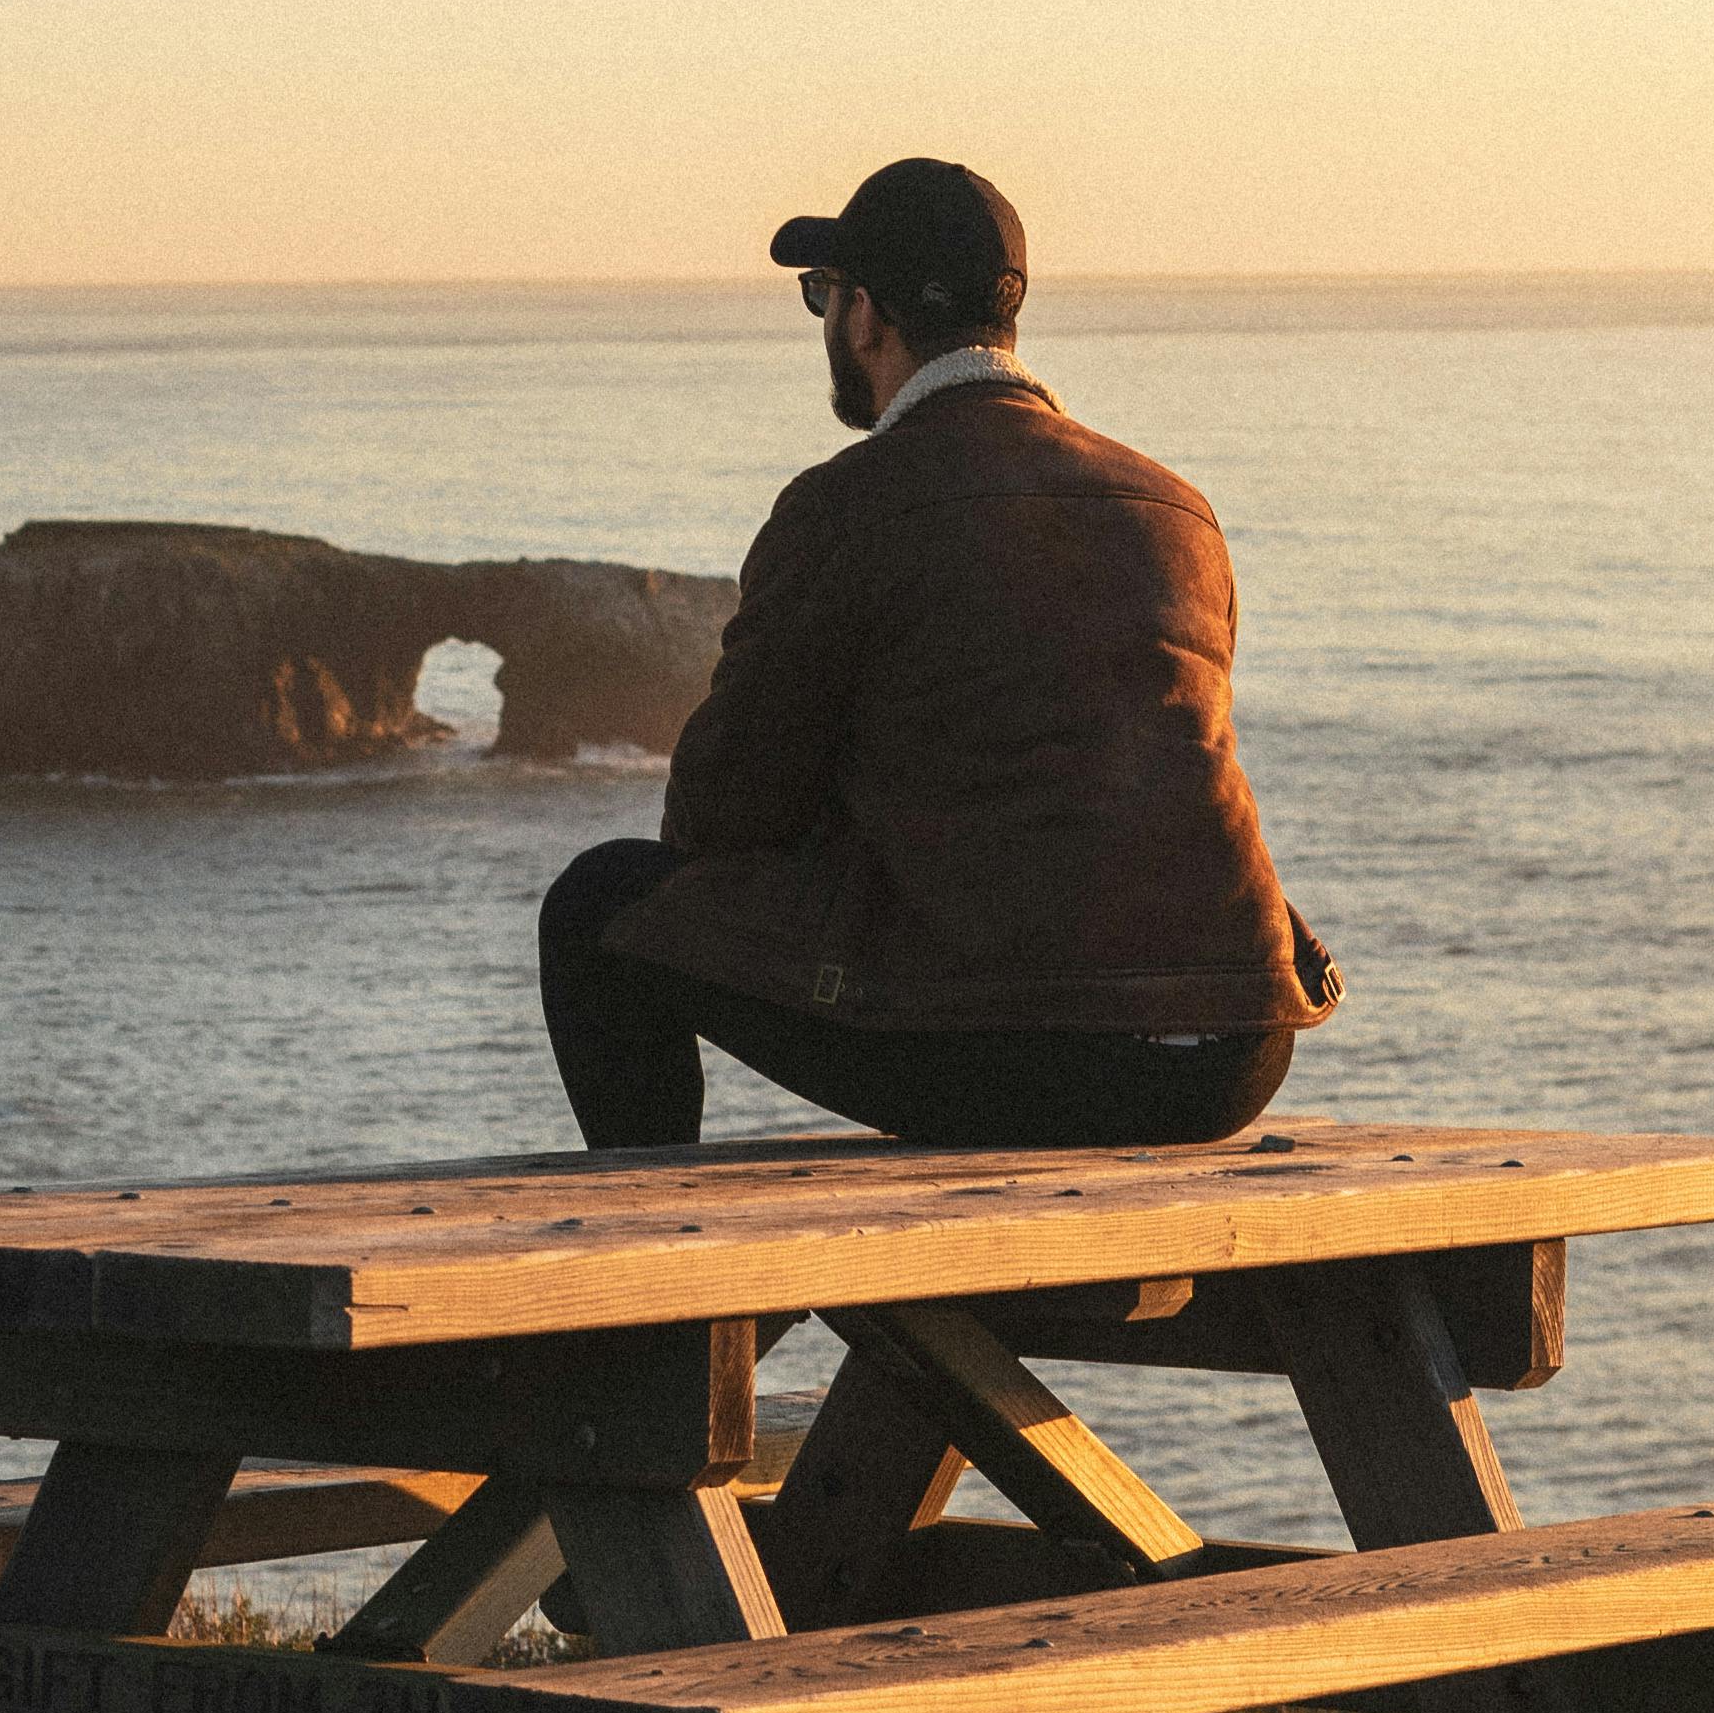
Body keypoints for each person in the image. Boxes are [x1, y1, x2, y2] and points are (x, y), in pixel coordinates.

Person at [541, 157, 1339, 1152]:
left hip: (1038, 1051)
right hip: (1233, 1047)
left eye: (822, 296)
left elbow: (718, 813)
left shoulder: (846, 506)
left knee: (599, 903)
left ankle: (661, 1296)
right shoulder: (1174, 508)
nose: (828, 320)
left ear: (866, 316)